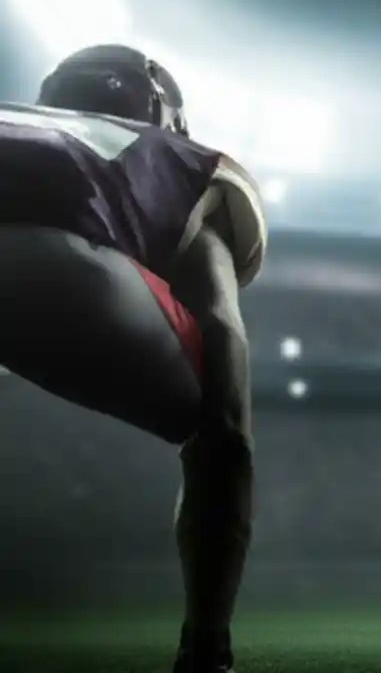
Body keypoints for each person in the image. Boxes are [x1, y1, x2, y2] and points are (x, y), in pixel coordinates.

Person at [0, 44, 267, 673]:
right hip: (56, 262)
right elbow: (221, 326)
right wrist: (227, 433)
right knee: (214, 426)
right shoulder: (177, 156)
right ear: (161, 112)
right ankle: (206, 649)